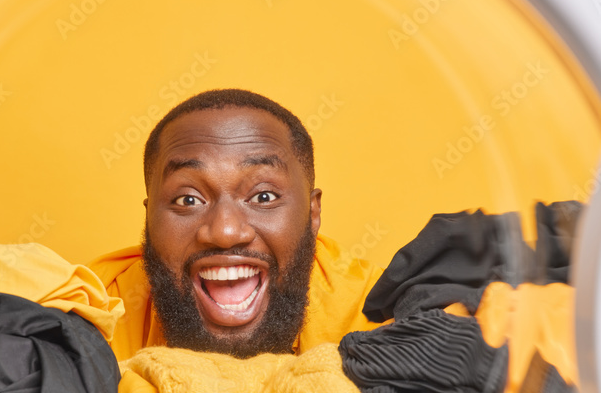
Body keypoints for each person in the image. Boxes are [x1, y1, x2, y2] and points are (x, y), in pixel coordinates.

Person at [89, 88, 384, 362]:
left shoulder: (380, 317)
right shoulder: (95, 314)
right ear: (149, 219)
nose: (225, 233)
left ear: (313, 213)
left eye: (264, 197)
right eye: (188, 200)